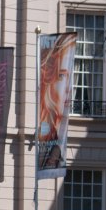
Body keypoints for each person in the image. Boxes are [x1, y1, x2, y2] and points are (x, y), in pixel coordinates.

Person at [37, 33, 75, 175]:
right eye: (61, 76)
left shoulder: (58, 137)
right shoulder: (46, 131)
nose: (68, 89)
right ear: (47, 79)